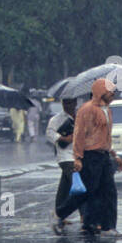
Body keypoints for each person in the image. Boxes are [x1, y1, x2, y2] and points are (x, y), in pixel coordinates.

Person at [56, 78, 122, 237]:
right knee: (87, 192)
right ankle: (60, 214)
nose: (112, 94)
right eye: (109, 91)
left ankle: (107, 227)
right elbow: (79, 134)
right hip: (90, 156)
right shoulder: (86, 110)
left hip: (104, 156)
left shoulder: (107, 110)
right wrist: (78, 158)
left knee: (109, 192)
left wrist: (114, 155)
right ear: (100, 91)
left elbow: (106, 136)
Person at [46, 96, 77, 234]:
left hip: (77, 155)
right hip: (65, 157)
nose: (67, 105)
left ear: (75, 103)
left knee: (65, 187)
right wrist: (62, 138)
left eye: (70, 102)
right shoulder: (57, 119)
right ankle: (83, 215)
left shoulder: (79, 117)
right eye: (65, 102)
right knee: (77, 186)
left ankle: (59, 212)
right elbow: (49, 133)